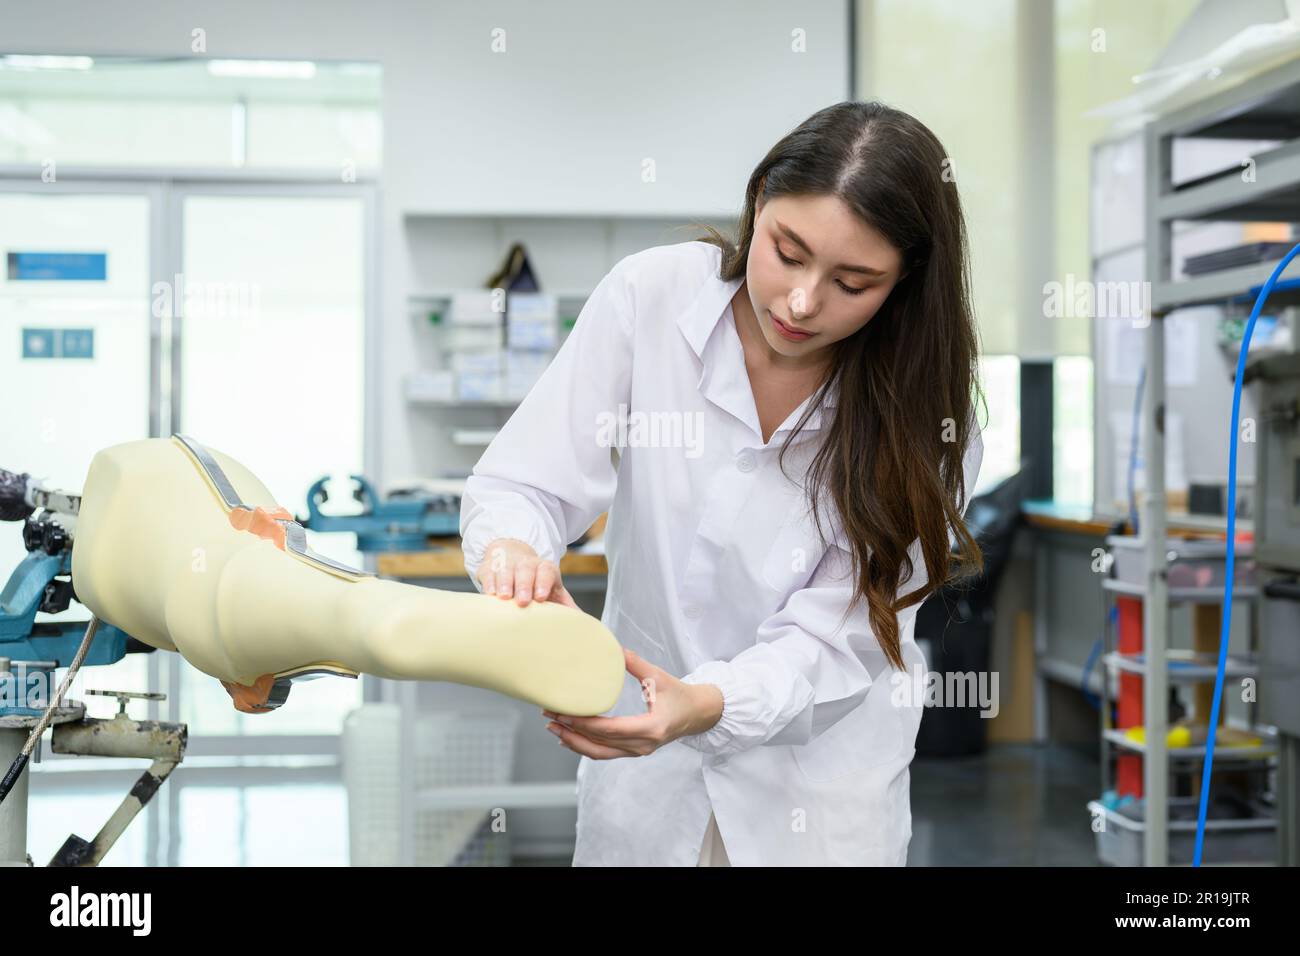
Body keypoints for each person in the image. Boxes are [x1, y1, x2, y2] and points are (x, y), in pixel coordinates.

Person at [459, 100, 986, 866]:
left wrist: (704, 704)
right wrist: (513, 548)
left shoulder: (930, 415)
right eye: (788, 251)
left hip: (817, 799)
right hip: (645, 781)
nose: (802, 302)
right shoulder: (651, 296)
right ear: (760, 198)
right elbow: (526, 482)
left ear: (906, 283)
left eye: (854, 281)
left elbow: (838, 635)